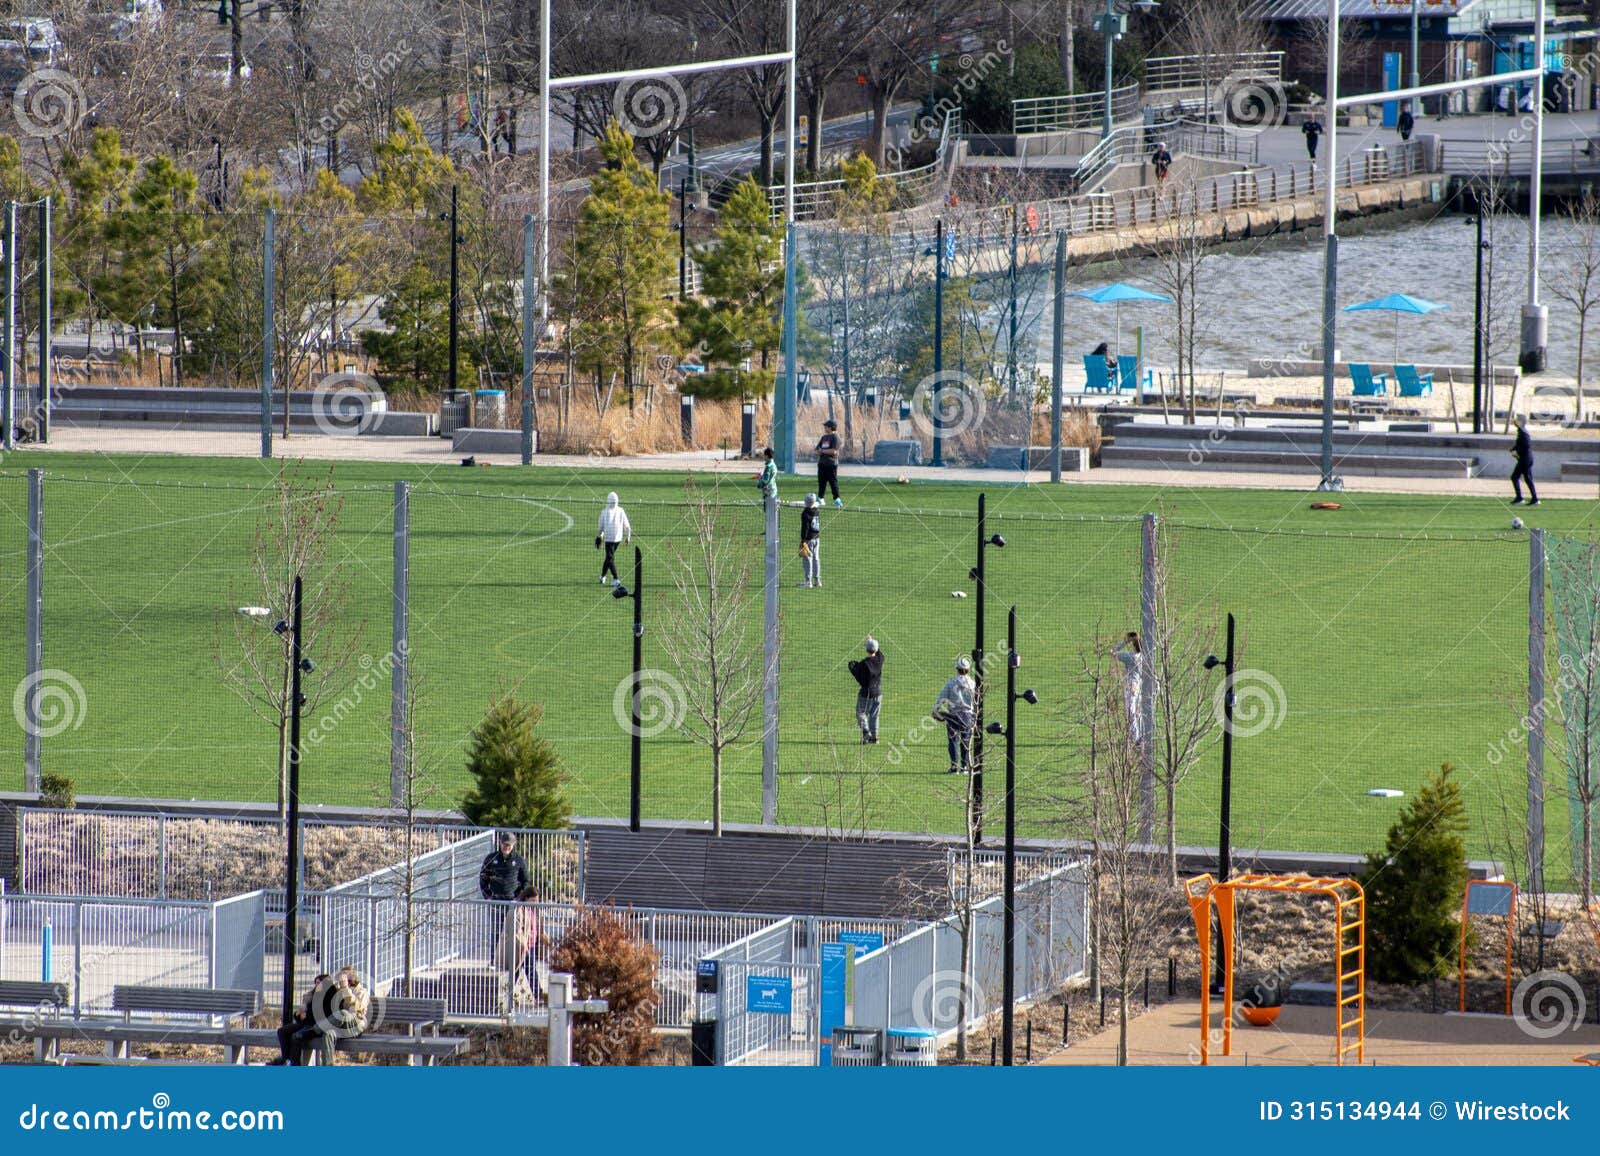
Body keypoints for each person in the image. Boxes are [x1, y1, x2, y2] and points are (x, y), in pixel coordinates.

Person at [274, 968, 370, 1066]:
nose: (341, 980)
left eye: (344, 977)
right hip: (336, 1026)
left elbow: (354, 1010)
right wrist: (304, 1004)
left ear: (352, 977)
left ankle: (314, 1030)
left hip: (354, 1024)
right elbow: (310, 996)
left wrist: (345, 989)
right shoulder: (336, 989)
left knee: (343, 1013)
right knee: (328, 1034)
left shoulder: (361, 992)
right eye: (341, 977)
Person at [494, 884, 542, 1007]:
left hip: (528, 945)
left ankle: (506, 996)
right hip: (521, 947)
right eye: (533, 901)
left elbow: (534, 926)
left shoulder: (531, 910)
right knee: (530, 971)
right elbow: (515, 930)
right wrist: (524, 945)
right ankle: (539, 996)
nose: (535, 903)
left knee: (515, 973)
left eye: (536, 901)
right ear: (526, 898)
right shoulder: (517, 909)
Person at [932, 656, 976, 774]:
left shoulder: (951, 683)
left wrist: (935, 709)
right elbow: (977, 701)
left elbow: (942, 697)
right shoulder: (972, 683)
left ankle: (954, 767)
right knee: (966, 741)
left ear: (957, 669)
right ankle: (965, 766)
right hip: (967, 715)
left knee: (953, 741)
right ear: (968, 669)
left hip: (953, 715)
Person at [849, 637, 884, 744]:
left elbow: (860, 678)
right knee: (874, 715)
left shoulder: (864, 664)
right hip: (878, 693)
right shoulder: (880, 660)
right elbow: (879, 653)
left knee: (861, 713)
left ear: (866, 650)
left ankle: (865, 732)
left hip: (866, 693)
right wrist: (871, 640)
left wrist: (852, 668)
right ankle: (874, 737)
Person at [1113, 632, 1146, 747]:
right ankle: (1141, 737)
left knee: (1131, 713)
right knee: (1138, 713)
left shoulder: (1130, 658)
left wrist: (1124, 642)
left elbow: (1113, 652)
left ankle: (1136, 739)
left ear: (1133, 646)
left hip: (1131, 688)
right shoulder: (1145, 657)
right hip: (1141, 688)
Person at [479, 831, 529, 900]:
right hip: (495, 902)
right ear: (500, 843)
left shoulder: (519, 860)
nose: (506, 847)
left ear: (513, 844)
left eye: (509, 845)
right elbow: (483, 877)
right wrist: (488, 896)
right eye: (504, 844)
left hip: (513, 902)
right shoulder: (491, 858)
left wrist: (518, 897)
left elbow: (526, 880)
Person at [597, 491, 632, 587]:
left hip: (609, 539)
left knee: (610, 558)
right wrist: (628, 536)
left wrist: (599, 536)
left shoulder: (604, 512)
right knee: (609, 557)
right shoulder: (621, 510)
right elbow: (627, 525)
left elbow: (601, 526)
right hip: (617, 539)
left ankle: (616, 579)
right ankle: (602, 576)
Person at [1511, 415, 1540, 506]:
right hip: (1525, 458)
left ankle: (1531, 498)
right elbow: (1520, 444)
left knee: (1517, 477)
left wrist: (1517, 452)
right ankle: (1526, 498)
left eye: (1517, 420)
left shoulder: (1523, 433)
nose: (1515, 421)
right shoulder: (1521, 431)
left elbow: (1526, 446)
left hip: (1525, 459)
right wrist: (1513, 449)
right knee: (1525, 478)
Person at [816, 420, 842, 506]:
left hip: (831, 465)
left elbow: (834, 451)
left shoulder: (835, 437)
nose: (825, 428)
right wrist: (820, 451)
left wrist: (822, 451)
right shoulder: (823, 437)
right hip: (822, 464)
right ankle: (820, 498)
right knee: (821, 483)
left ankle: (837, 499)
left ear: (831, 427)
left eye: (826, 426)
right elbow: (817, 449)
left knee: (833, 482)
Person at [799, 493, 822, 588]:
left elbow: (805, 527)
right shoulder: (816, 511)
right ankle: (817, 580)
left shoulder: (805, 513)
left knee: (807, 559)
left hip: (808, 539)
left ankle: (808, 582)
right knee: (816, 558)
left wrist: (803, 540)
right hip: (817, 537)